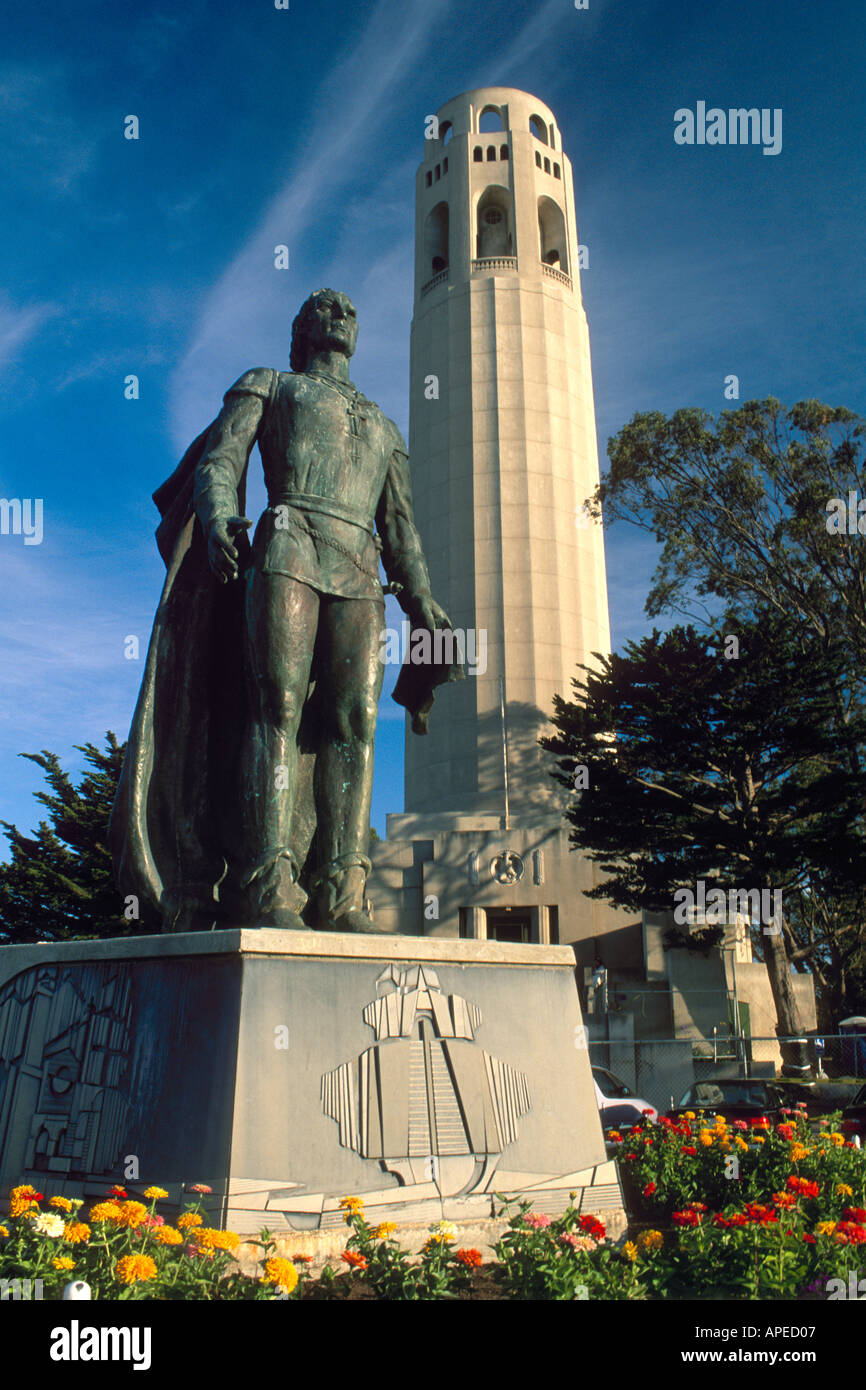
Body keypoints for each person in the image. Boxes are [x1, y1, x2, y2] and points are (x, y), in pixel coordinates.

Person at [110, 290, 459, 933]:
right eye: (326, 308)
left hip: (360, 568)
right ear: (301, 331)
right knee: (279, 708)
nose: (343, 314)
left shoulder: (384, 427)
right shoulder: (269, 384)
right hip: (289, 547)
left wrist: (421, 597)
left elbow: (402, 529)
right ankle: (269, 881)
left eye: (351, 310)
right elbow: (221, 458)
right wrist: (216, 516)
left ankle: (343, 888)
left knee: (355, 724)